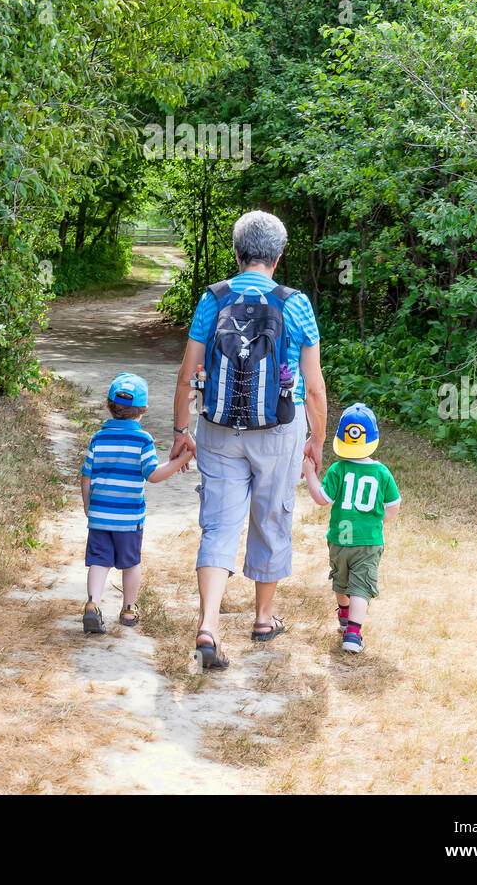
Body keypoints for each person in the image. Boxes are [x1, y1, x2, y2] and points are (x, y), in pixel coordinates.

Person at [171, 210, 328, 670]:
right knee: (271, 516)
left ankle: (209, 625)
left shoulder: (213, 298)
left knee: (218, 525)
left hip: (218, 428)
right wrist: (317, 439)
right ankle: (263, 618)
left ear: (237, 254)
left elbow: (187, 376)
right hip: (280, 430)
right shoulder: (296, 303)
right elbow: (314, 387)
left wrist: (182, 431)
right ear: (278, 257)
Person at [81, 371, 189, 634]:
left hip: (100, 516)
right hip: (128, 519)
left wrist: (88, 506)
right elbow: (152, 475)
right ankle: (129, 608)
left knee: (99, 561)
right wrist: (180, 462)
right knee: (130, 562)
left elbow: (86, 475)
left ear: (108, 405)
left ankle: (93, 604)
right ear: (144, 409)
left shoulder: (98, 438)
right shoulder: (142, 440)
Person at [303, 402, 400, 653]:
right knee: (361, 586)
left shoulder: (338, 469)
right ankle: (354, 634)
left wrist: (310, 474)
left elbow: (323, 499)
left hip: (340, 540)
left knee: (341, 580)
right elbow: (393, 504)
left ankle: (345, 618)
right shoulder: (381, 472)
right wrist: (381, 521)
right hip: (368, 541)